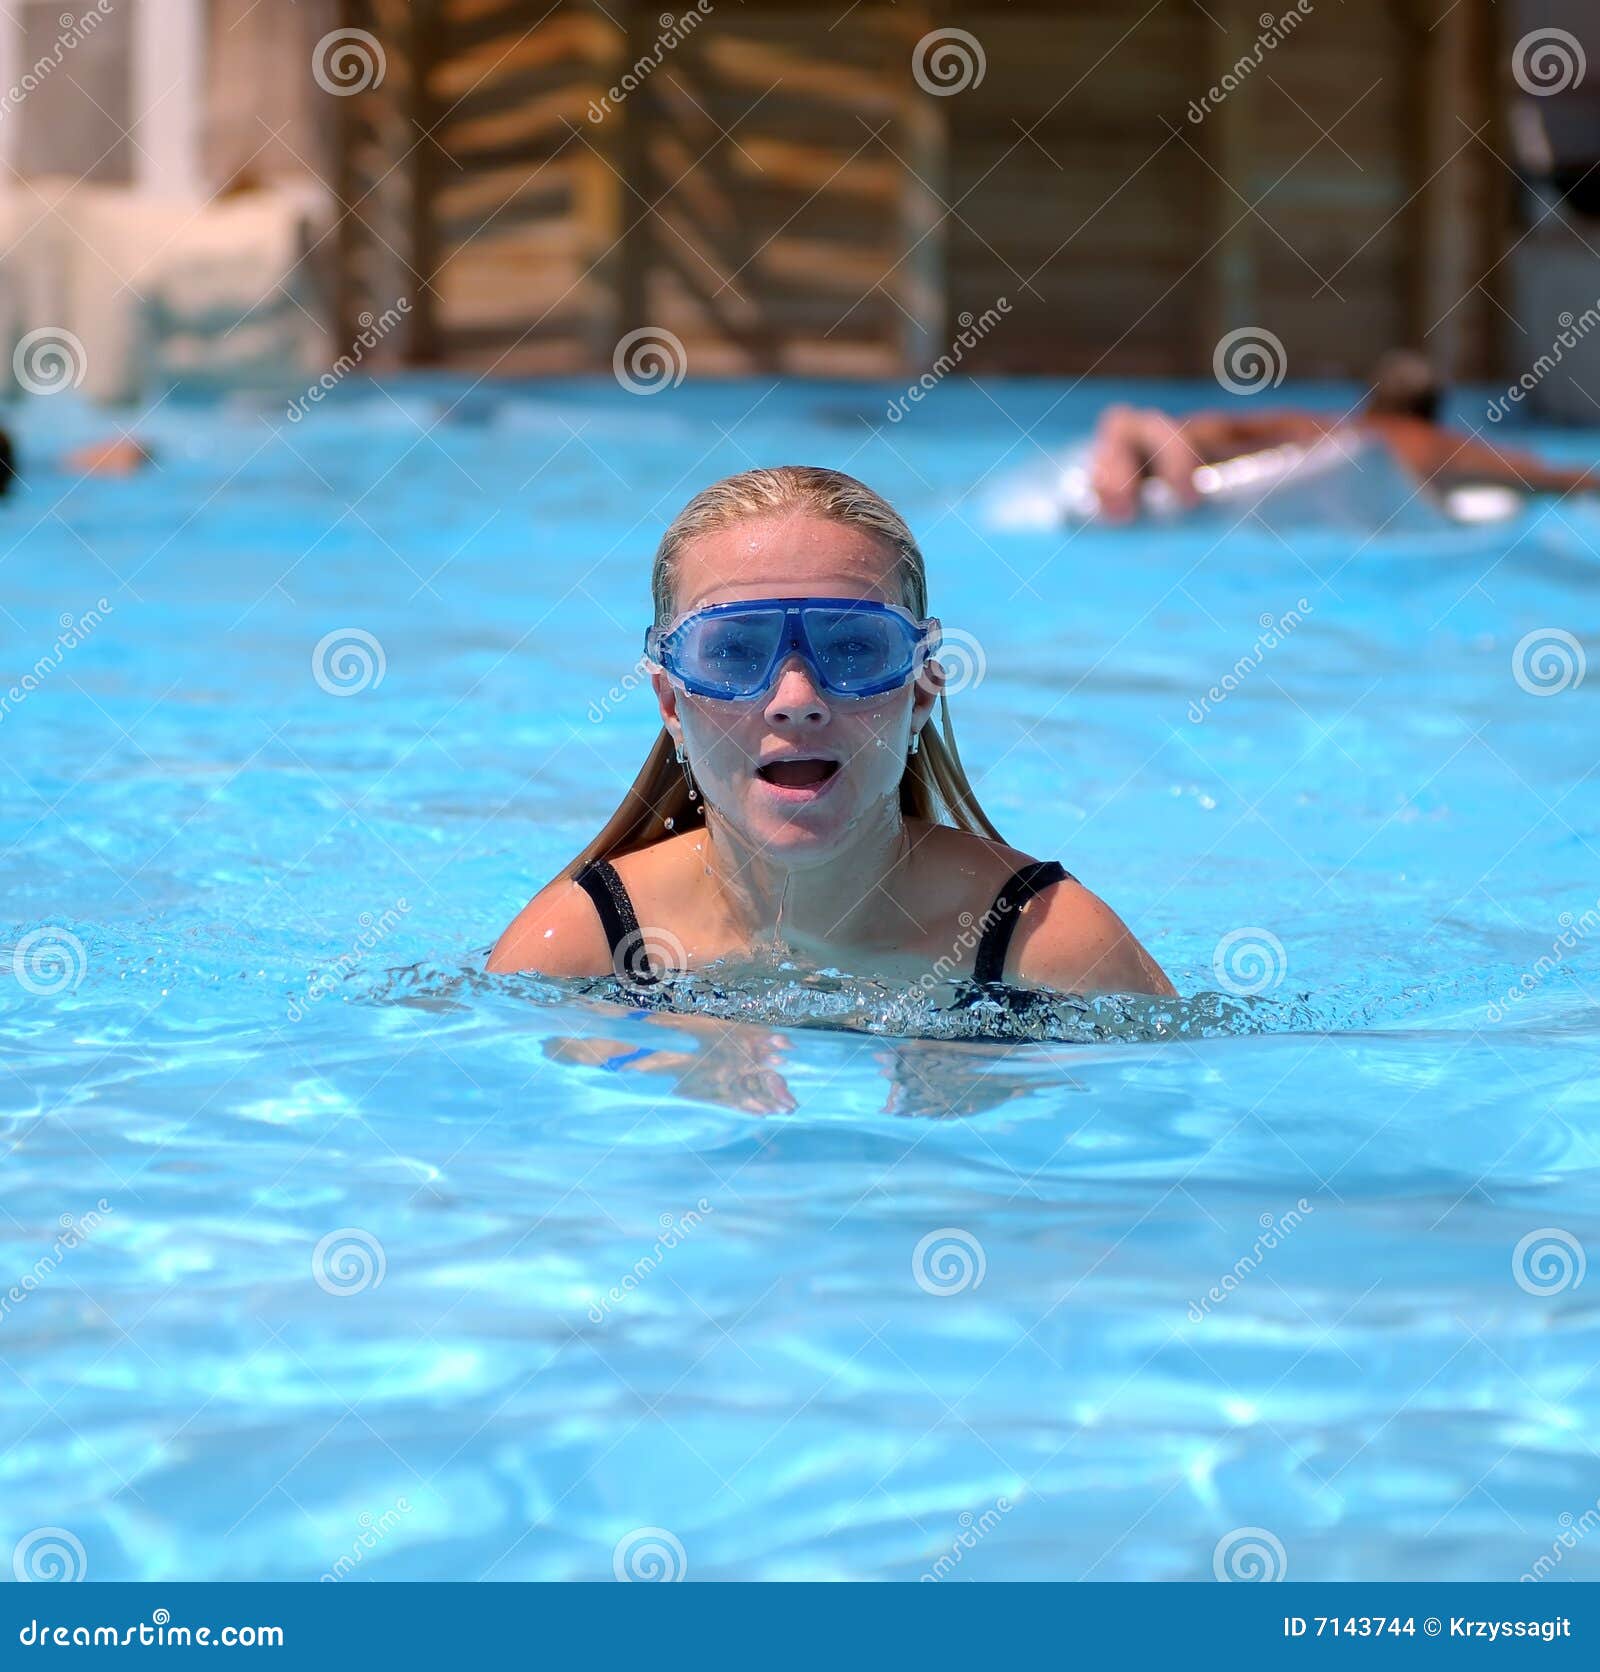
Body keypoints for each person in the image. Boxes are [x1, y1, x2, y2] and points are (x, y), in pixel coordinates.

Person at [487, 465, 1173, 1003]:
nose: (795, 700)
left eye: (853, 650)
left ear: (921, 696)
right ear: (670, 701)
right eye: (732, 653)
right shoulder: (574, 950)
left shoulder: (1051, 944)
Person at [1086, 350, 1600, 522]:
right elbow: (1551, 476)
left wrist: (1132, 430)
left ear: (1371, 401)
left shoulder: (1333, 426)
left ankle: (1128, 428)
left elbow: (1211, 430)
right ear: (1433, 414)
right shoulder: (1435, 445)